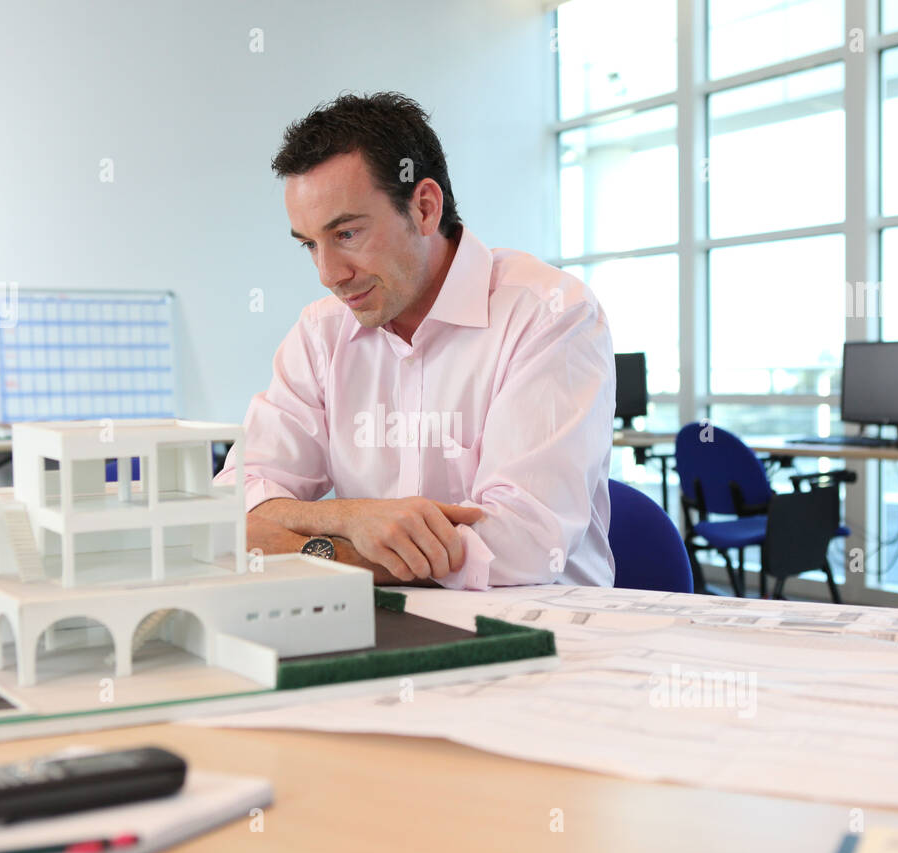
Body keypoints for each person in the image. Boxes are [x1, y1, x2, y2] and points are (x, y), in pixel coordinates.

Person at [214, 92, 615, 589]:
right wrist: (349, 518)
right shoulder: (321, 332)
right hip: (381, 624)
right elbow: (235, 497)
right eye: (310, 245)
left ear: (424, 208)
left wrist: (301, 549)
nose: (328, 274)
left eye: (346, 235)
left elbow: (522, 544)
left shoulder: (549, 312)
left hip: (544, 632)